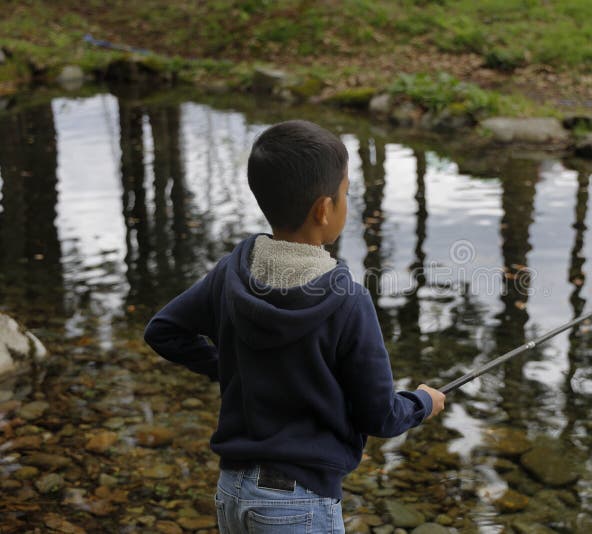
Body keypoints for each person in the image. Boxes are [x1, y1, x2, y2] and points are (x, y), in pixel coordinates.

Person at [143, 120, 446, 533]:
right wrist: (423, 402)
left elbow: (163, 331)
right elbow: (381, 417)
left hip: (231, 491)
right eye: (345, 195)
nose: (346, 203)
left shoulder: (231, 274)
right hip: (298, 504)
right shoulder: (348, 300)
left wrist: (229, 365)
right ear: (324, 209)